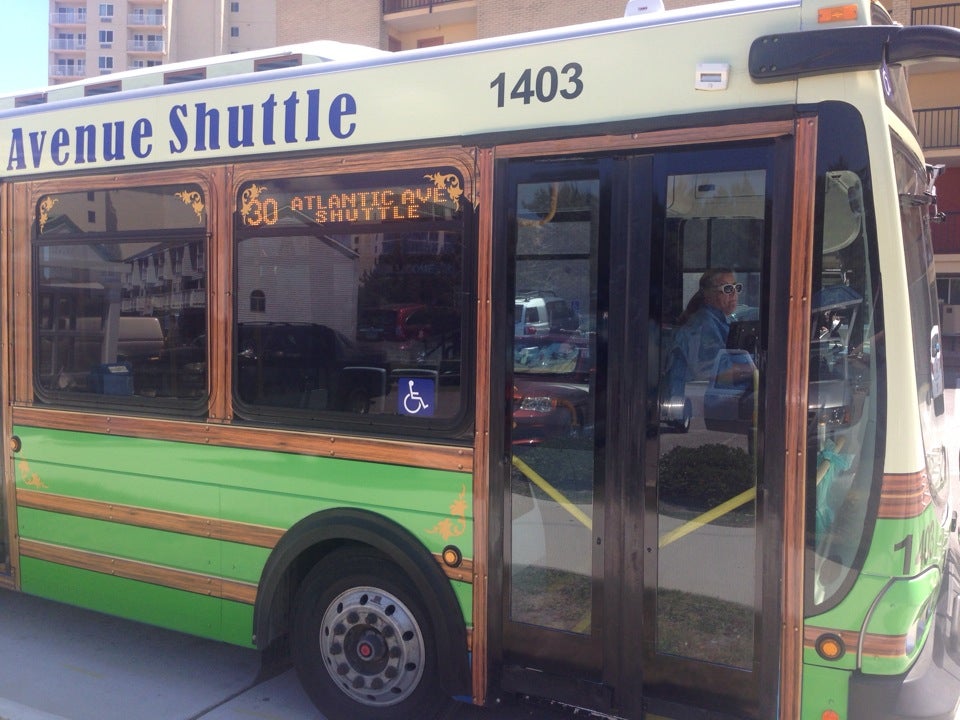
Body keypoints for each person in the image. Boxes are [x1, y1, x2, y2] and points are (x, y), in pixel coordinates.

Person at [665, 267, 746, 399]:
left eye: (736, 288)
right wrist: (753, 370)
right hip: (691, 408)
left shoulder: (723, 320)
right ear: (708, 294)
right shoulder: (702, 325)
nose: (734, 294)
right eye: (727, 289)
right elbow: (714, 371)